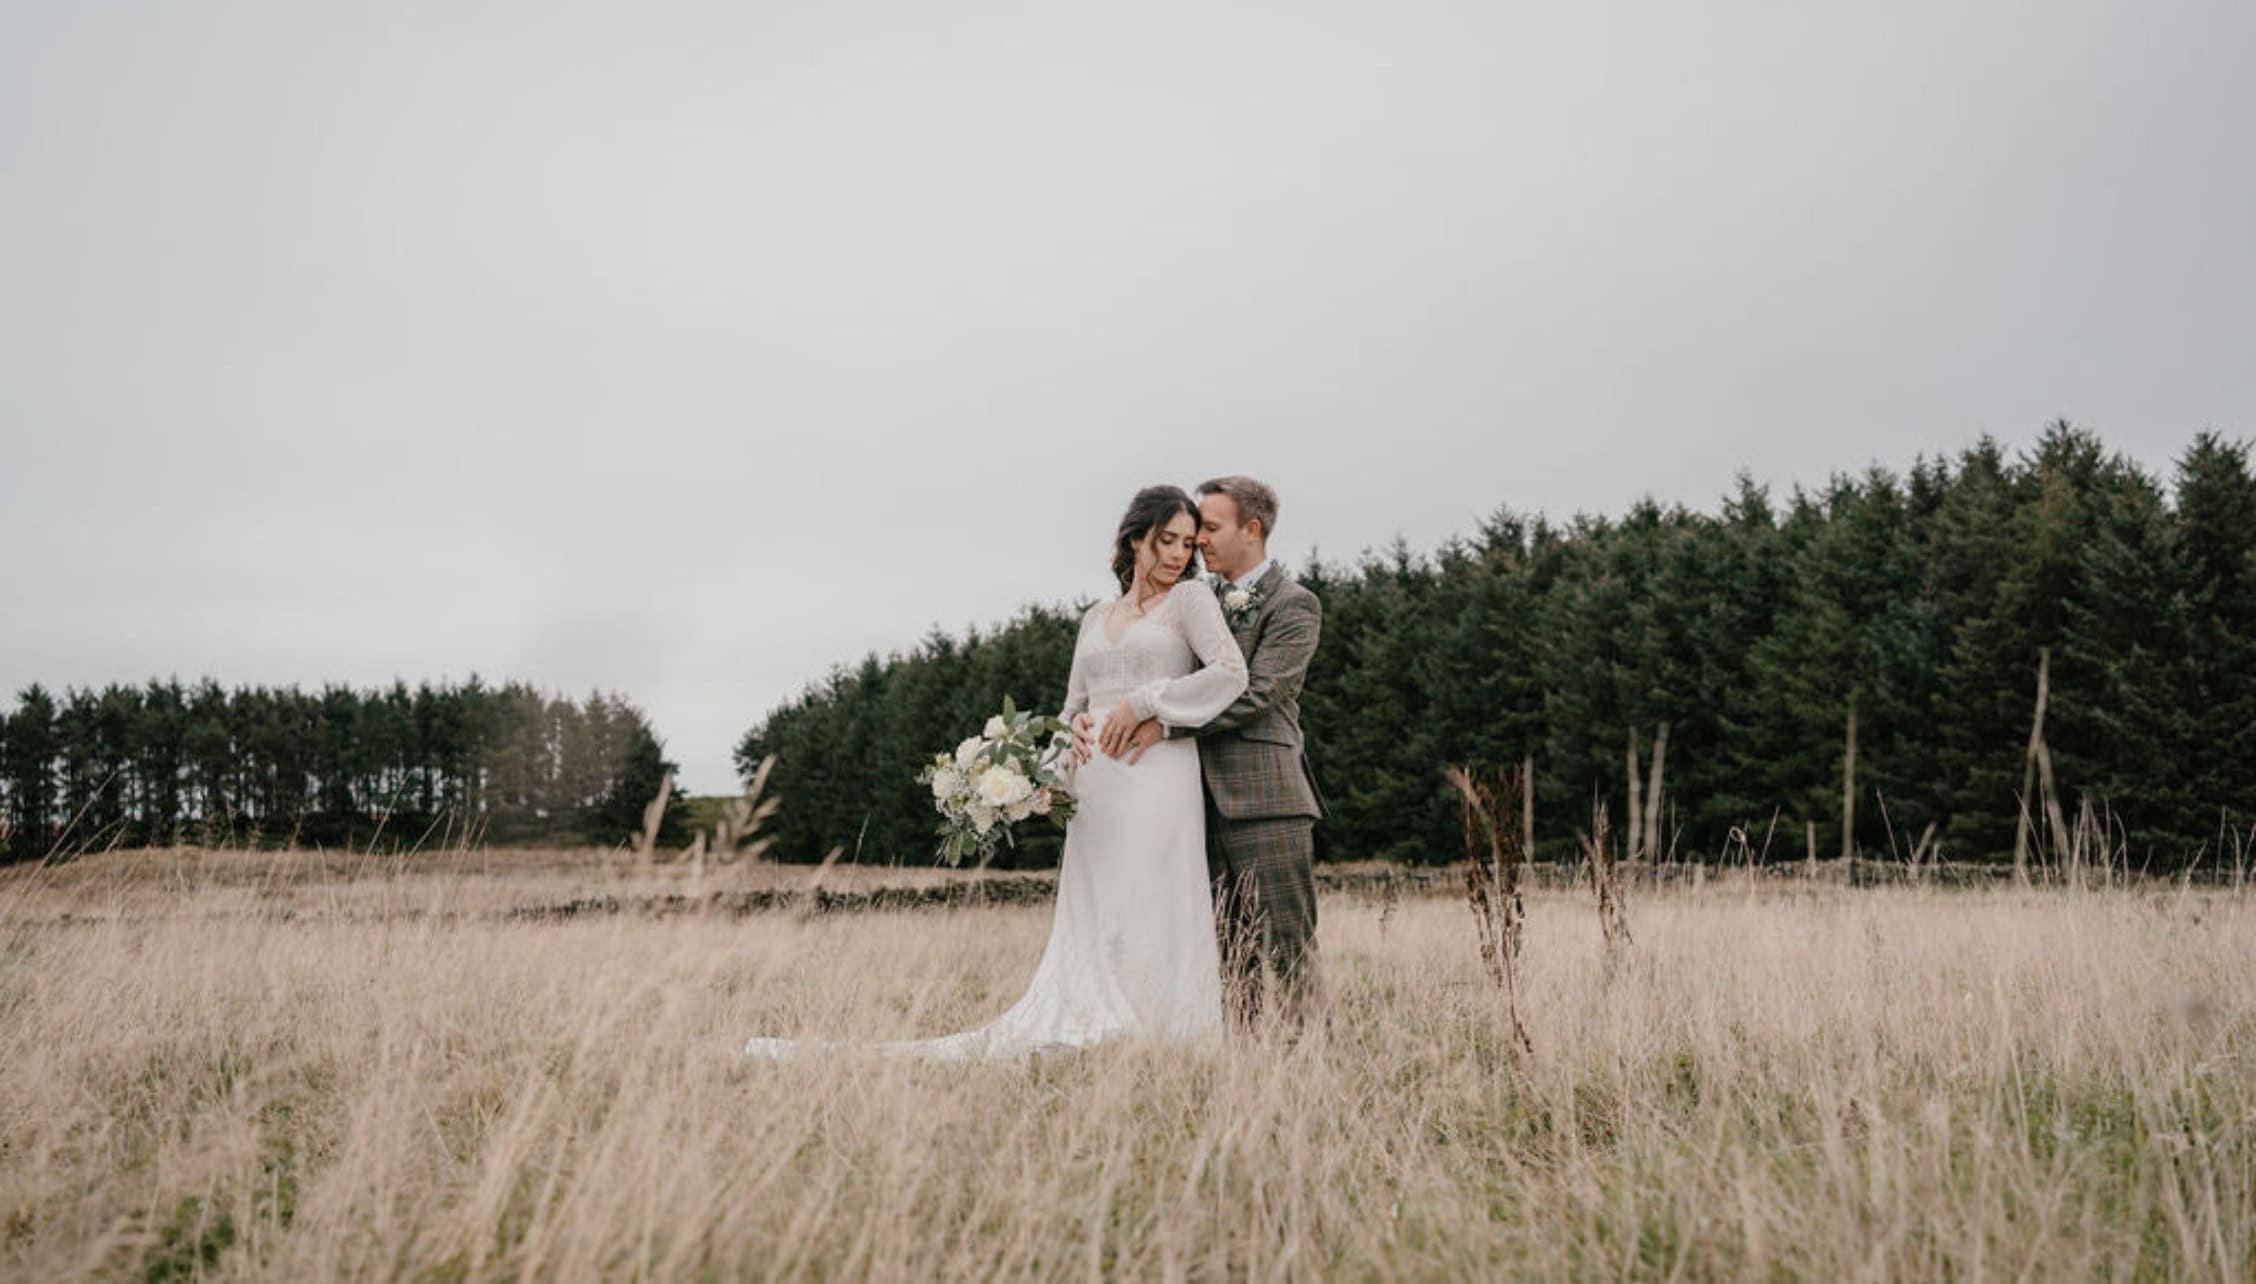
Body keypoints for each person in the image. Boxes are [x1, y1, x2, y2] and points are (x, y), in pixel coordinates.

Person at [743, 485, 1247, 1062]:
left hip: (1155, 771)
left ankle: (1160, 1024)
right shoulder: (1095, 617)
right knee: (1100, 899)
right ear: (1136, 539)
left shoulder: (1191, 603)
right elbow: (1071, 706)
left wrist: (1147, 702)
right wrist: (1066, 744)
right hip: (1095, 783)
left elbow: (1231, 674)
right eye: (1167, 541)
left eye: (1188, 543)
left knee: (1150, 890)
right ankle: (1094, 1010)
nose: (1180, 554)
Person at [1078, 475, 1325, 1029]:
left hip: (1266, 801)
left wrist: (1161, 725)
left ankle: (1310, 1073)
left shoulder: (1294, 604)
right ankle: (1242, 1072)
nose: (1198, 544)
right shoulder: (1192, 599)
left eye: (1209, 529)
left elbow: (1260, 693)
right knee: (1224, 958)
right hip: (1191, 803)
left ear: (1252, 530)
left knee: (1287, 951)